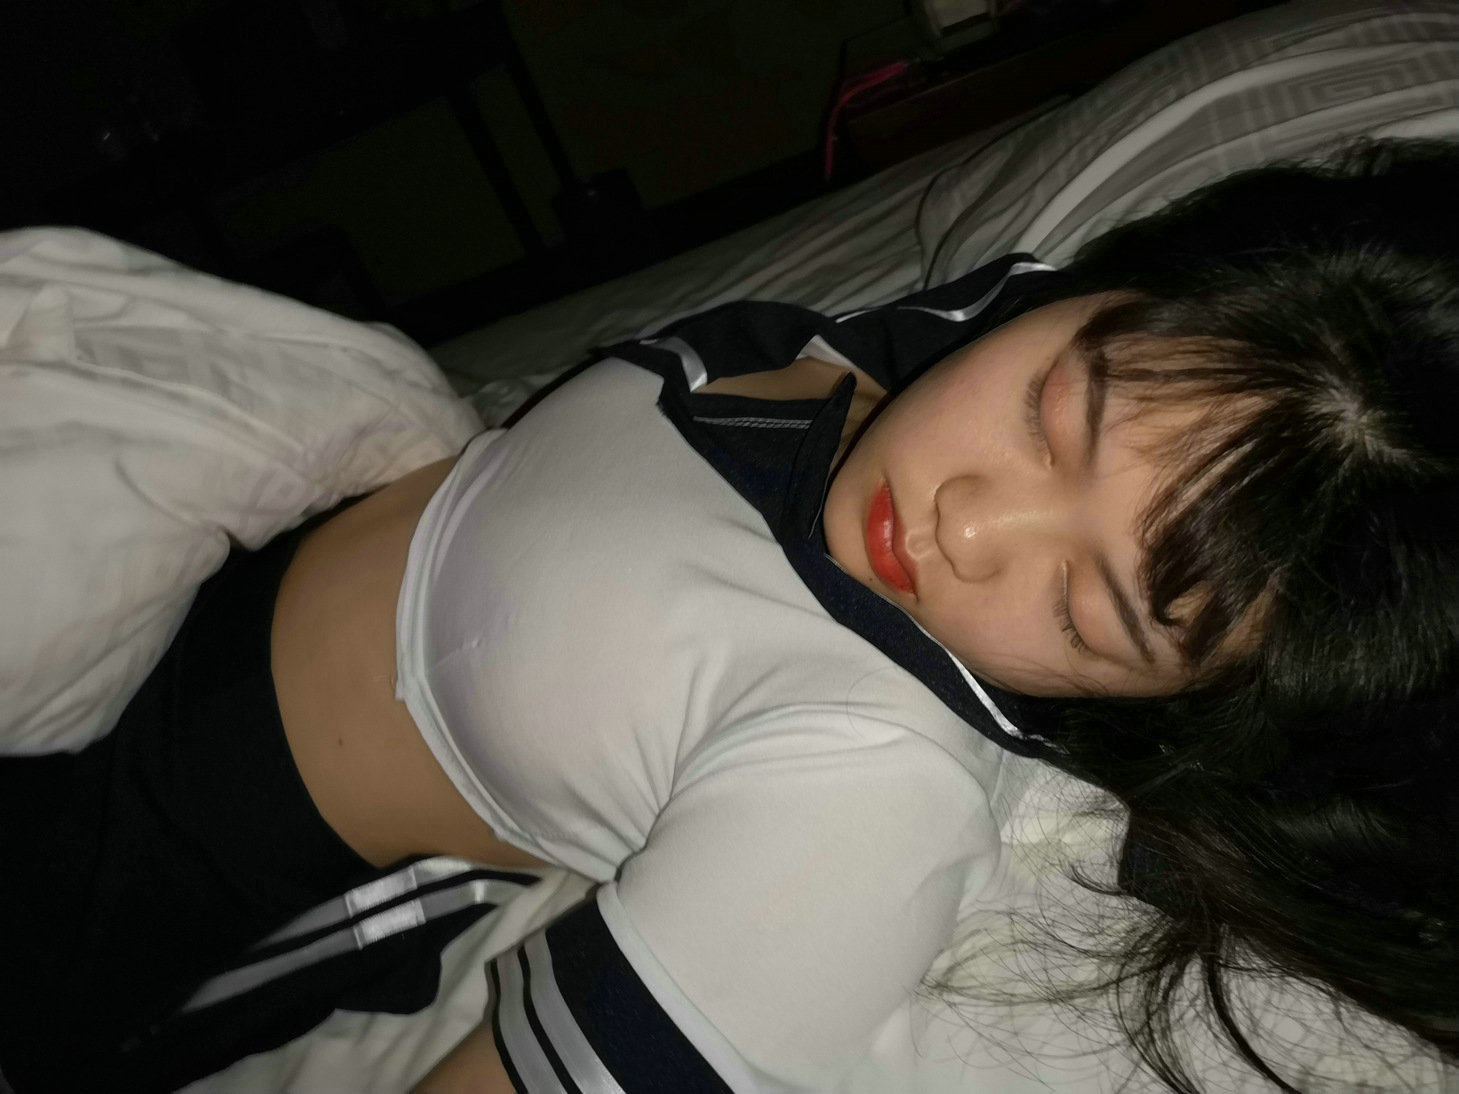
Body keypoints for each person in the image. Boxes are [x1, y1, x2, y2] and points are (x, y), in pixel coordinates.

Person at [0, 136, 1456, 1094]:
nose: (969, 523)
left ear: (1178, 707)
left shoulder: (871, 784)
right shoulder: (971, 330)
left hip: (140, 858)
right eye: (1051, 413)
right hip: (183, 572)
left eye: (1082, 606)